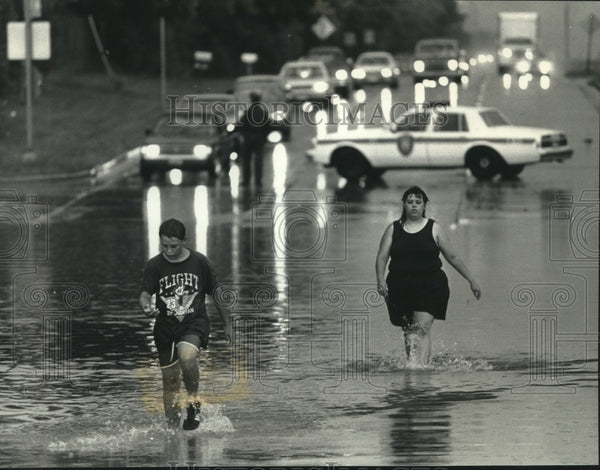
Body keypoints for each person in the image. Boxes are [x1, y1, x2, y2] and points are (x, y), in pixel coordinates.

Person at [139, 218, 232, 430]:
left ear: (184, 241)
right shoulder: (154, 265)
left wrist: (228, 324)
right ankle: (172, 432)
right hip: (165, 328)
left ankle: (193, 402)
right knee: (170, 382)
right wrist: (145, 307)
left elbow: (217, 293)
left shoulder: (199, 262)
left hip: (194, 323)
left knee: (187, 356)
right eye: (165, 246)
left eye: (174, 246)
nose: (169, 250)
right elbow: (145, 293)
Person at [375, 186, 481, 365]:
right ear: (404, 205)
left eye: (418, 202)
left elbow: (453, 257)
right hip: (400, 286)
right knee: (409, 331)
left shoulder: (434, 228)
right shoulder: (393, 229)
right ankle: (412, 368)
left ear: (424, 206)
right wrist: (380, 280)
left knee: (421, 330)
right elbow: (381, 257)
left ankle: (421, 370)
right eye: (410, 202)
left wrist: (471, 280)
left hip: (431, 286)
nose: (414, 206)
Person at [238, 90, 272, 187]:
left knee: (246, 161)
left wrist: (242, 134)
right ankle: (258, 180)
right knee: (258, 161)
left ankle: (246, 180)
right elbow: (268, 126)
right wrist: (265, 137)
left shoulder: (247, 112)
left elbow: (241, 124)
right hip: (259, 138)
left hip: (248, 138)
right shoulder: (263, 112)